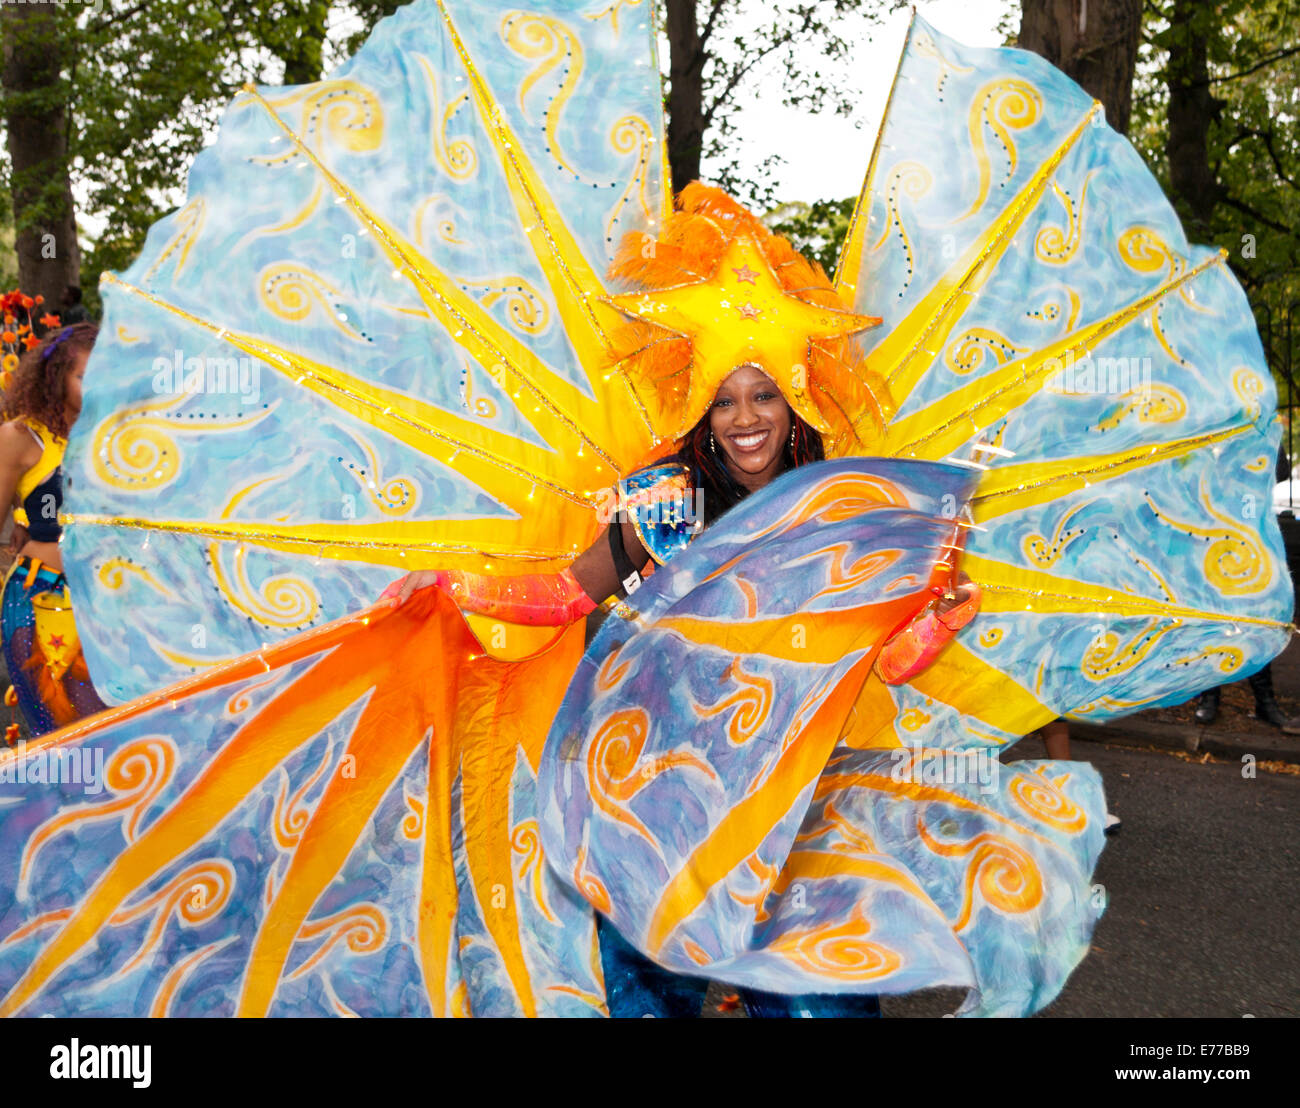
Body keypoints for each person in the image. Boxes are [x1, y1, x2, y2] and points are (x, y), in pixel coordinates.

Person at [0, 323, 107, 736]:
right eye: (85, 376)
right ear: (55, 376)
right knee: (71, 734)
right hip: (43, 596)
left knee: (117, 728)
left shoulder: (115, 439)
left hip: (107, 600)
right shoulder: (20, 437)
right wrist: (27, 519)